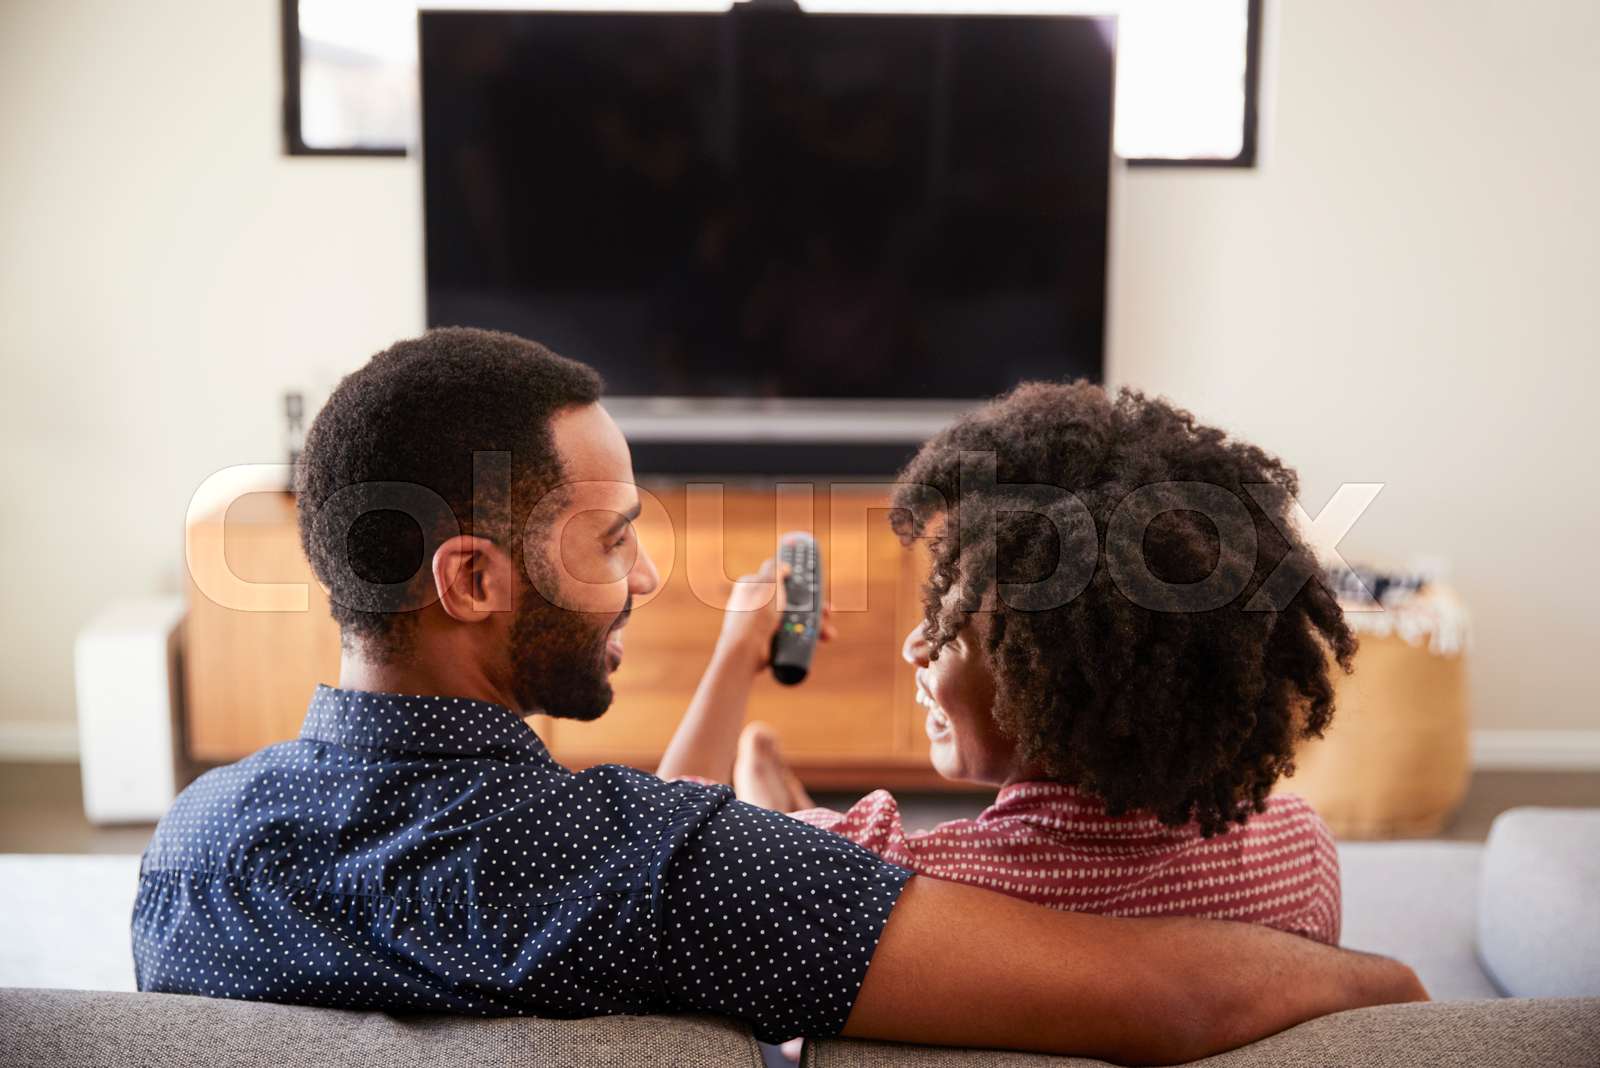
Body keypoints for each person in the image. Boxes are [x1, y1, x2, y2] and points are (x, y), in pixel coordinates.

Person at [133, 329, 1424, 1065]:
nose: (644, 576)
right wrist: (1387, 990)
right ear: (469, 579)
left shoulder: (186, 852)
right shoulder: (685, 877)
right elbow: (1179, 993)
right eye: (611, 541)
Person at [659, 381, 1346, 947]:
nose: (913, 647)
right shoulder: (1297, 852)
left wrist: (735, 653)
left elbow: (655, 872)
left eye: (949, 630)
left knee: (753, 838)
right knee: (773, 813)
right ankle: (772, 800)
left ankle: (770, 807)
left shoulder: (886, 873)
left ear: (1045, 684)